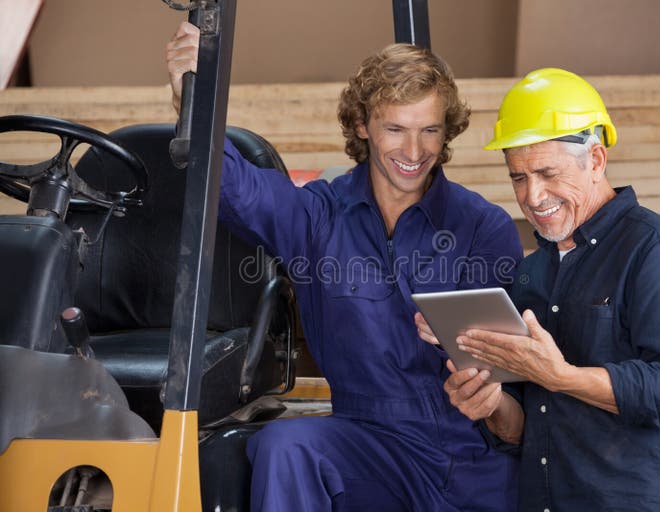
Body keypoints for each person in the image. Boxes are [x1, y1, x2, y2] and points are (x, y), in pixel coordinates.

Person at [166, 22, 523, 511]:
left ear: (448, 129)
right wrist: (193, 95)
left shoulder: (484, 227)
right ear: (362, 126)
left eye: (429, 131)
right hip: (365, 442)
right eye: (395, 129)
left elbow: (505, 377)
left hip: (463, 450)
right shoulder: (318, 216)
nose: (414, 152)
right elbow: (235, 190)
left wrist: (489, 395)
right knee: (283, 449)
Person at [416, 68, 660, 511]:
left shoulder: (656, 252)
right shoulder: (532, 273)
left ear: (596, 160)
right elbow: (527, 426)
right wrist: (491, 401)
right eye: (518, 177)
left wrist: (560, 377)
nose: (533, 196)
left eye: (547, 173)